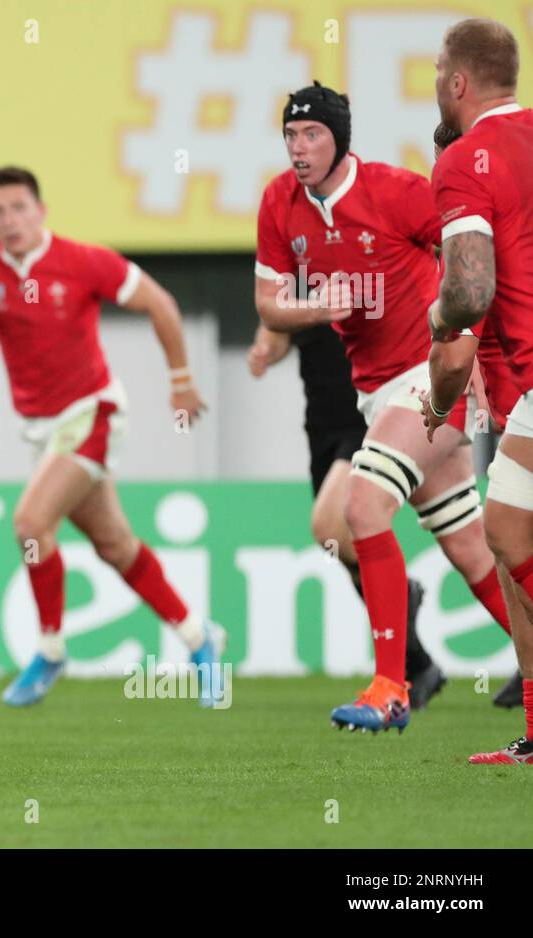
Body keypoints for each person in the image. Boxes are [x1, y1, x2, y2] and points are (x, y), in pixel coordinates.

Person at [254, 82, 510, 734]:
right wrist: (317, 307)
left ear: (340, 139)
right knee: (474, 551)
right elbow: (268, 305)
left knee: (360, 505)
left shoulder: (397, 190)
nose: (299, 147)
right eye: (291, 135)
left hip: (436, 374)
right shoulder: (280, 204)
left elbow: (476, 261)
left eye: (312, 134)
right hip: (379, 396)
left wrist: (485, 353)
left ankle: (390, 686)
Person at [0, 166, 222, 708]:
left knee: (31, 522)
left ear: (40, 210)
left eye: (18, 208)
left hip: (94, 412)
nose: (9, 220)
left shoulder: (84, 261)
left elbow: (161, 304)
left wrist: (180, 381)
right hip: (42, 432)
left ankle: (51, 649)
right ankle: (202, 639)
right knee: (115, 546)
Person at [422, 18, 533, 763]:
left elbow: (467, 290)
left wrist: (436, 317)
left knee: (506, 532)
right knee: (507, 534)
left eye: (436, 70)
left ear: (458, 82)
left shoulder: (467, 160)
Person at [247, 321, 445, 709]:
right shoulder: (299, 272)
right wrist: (264, 350)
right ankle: (419, 662)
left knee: (329, 527)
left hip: (371, 413)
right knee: (349, 554)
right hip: (322, 423)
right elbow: (276, 330)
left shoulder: (365, 265)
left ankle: (404, 607)